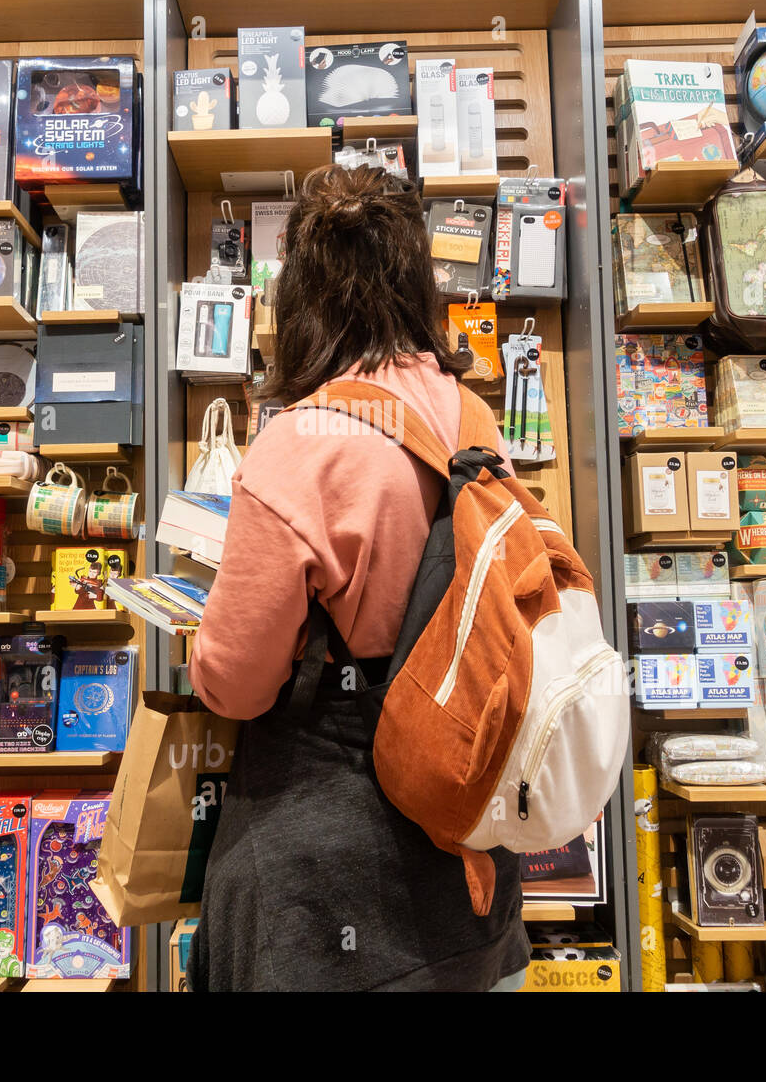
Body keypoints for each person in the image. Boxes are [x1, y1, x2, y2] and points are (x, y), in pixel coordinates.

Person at [186, 163, 530, 991]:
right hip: (475, 879)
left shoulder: (301, 442)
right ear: (418, 285)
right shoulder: (472, 415)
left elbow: (233, 685)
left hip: (332, 893)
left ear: (301, 303)